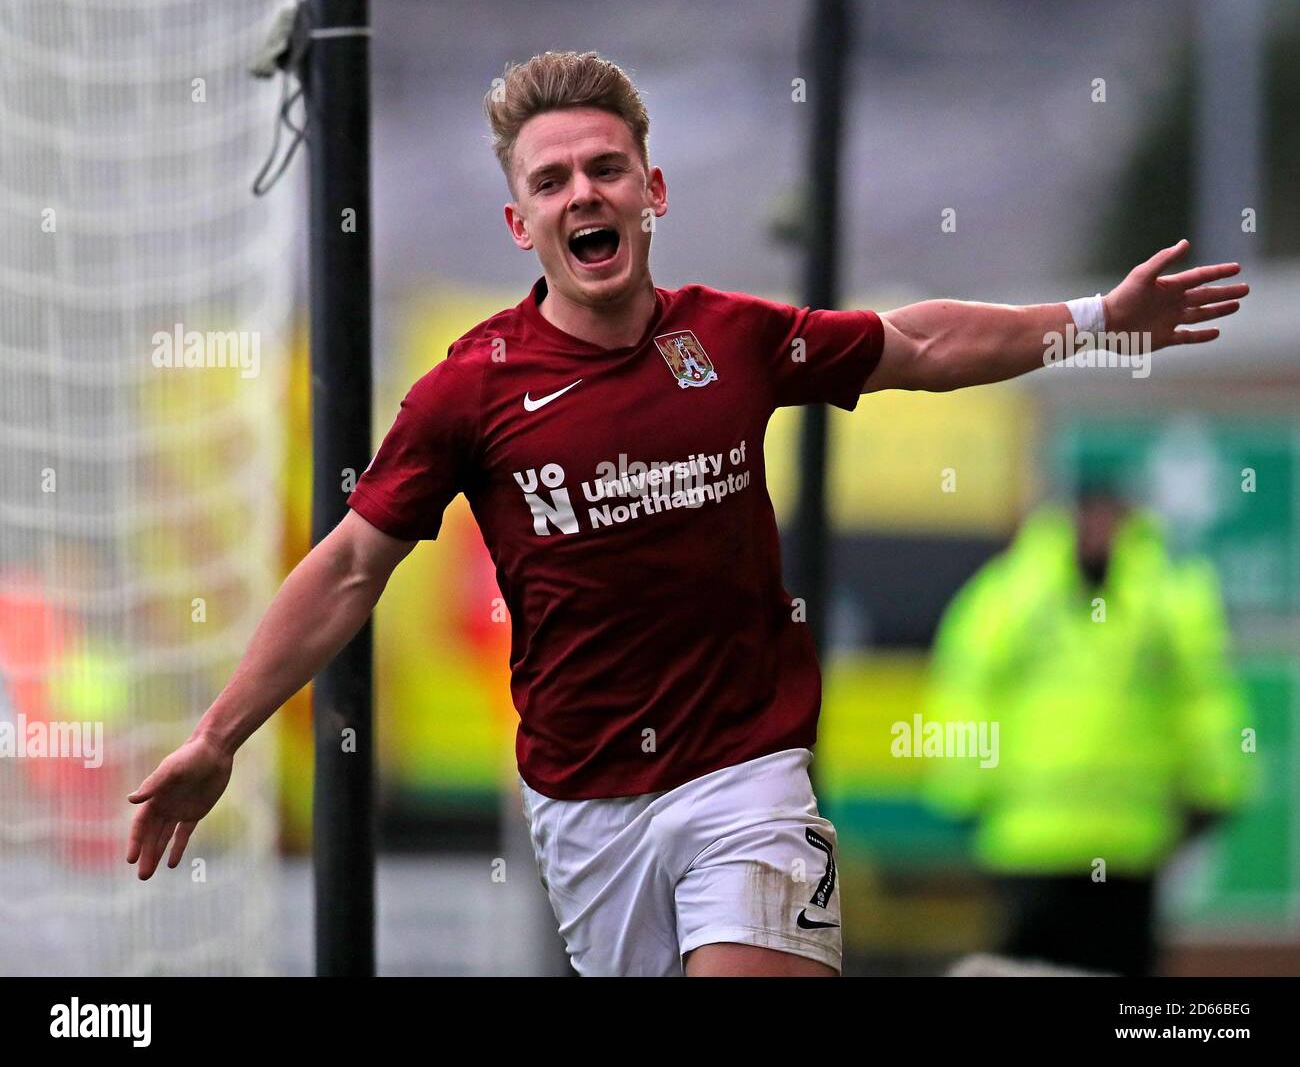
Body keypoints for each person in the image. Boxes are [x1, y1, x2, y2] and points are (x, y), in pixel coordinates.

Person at [127, 50, 1250, 977]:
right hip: (584, 805)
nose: (584, 194)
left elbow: (922, 345)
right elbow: (348, 569)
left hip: (745, 780)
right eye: (553, 181)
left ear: (651, 192)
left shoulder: (730, 339)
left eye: (605, 169)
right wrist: (218, 734)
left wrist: (1095, 316)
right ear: (521, 223)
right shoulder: (469, 391)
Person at [922, 488, 1251, 975]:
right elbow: (965, 696)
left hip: (1083, 844)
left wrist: (963, 795)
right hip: (1064, 843)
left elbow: (1205, 703)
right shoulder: (1170, 597)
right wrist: (1215, 792)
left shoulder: (1008, 593)